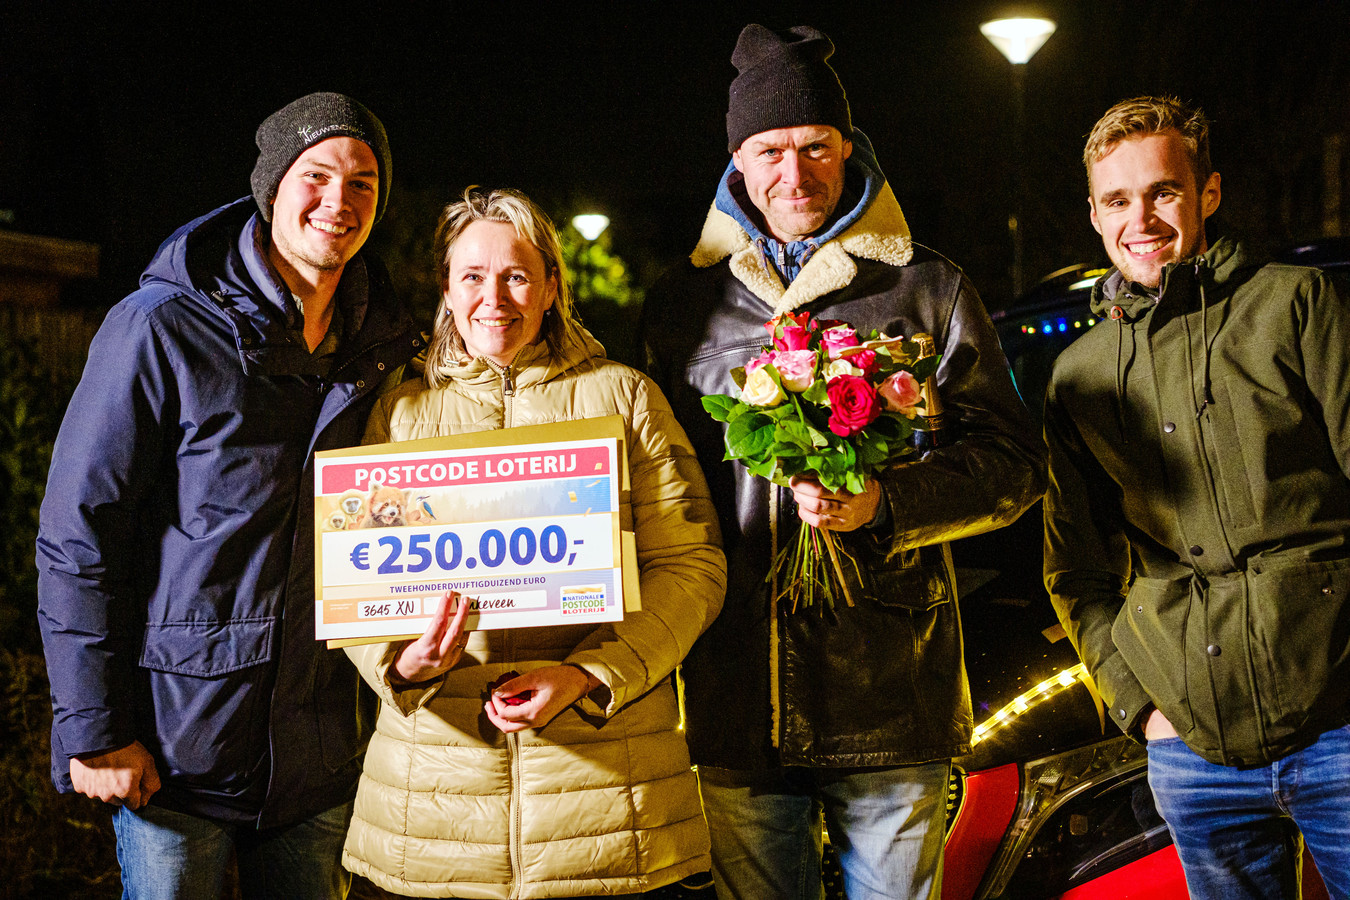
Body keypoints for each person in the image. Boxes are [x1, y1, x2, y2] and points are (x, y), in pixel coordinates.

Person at [641, 24, 1046, 900]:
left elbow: (1012, 463)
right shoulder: (683, 305)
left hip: (893, 692)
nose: (796, 173)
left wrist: (885, 505)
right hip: (734, 693)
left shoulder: (928, 286)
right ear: (737, 161)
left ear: (848, 147)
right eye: (772, 150)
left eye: (816, 147)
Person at [36, 92, 422, 899]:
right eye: (316, 176)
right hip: (176, 759)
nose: (338, 202)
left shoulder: (388, 346)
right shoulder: (161, 327)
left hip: (319, 760)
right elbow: (81, 535)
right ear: (271, 186)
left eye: (363, 183)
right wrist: (97, 730)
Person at [340, 187, 726, 898]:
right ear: (448, 291)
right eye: (474, 277)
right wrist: (403, 662)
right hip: (427, 824)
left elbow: (691, 565)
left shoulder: (627, 397)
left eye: (517, 275)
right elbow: (356, 581)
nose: (496, 298)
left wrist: (589, 675)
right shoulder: (399, 411)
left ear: (551, 286)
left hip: (614, 816)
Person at [1044, 95, 1350, 899]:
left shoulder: (1296, 305)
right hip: (1192, 752)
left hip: (1340, 727)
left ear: (1207, 193)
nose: (1139, 218)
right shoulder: (1077, 373)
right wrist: (1138, 702)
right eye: (1117, 200)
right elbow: (1073, 567)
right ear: (1093, 213)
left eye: (1163, 192)